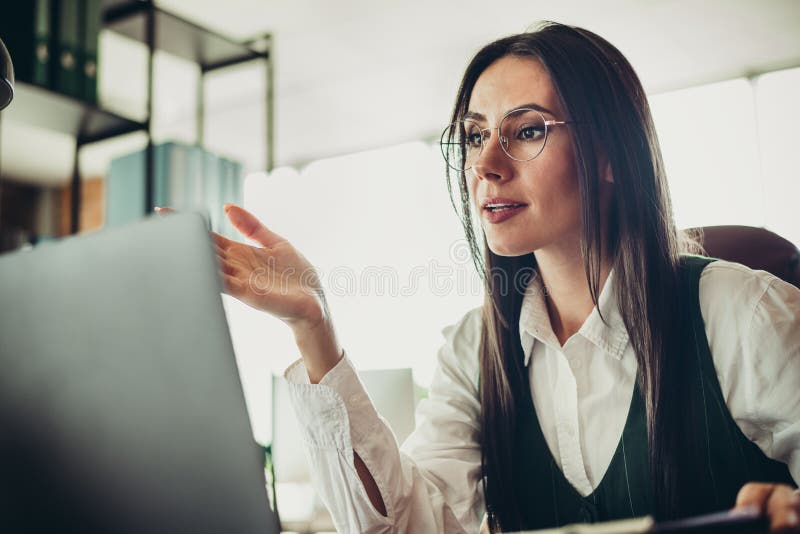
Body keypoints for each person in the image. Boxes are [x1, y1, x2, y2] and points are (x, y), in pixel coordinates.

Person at [161, 21, 799, 533]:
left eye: (526, 131)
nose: (486, 165)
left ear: (608, 154)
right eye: (472, 137)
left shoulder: (740, 310)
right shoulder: (476, 349)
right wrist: (313, 327)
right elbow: (412, 528)